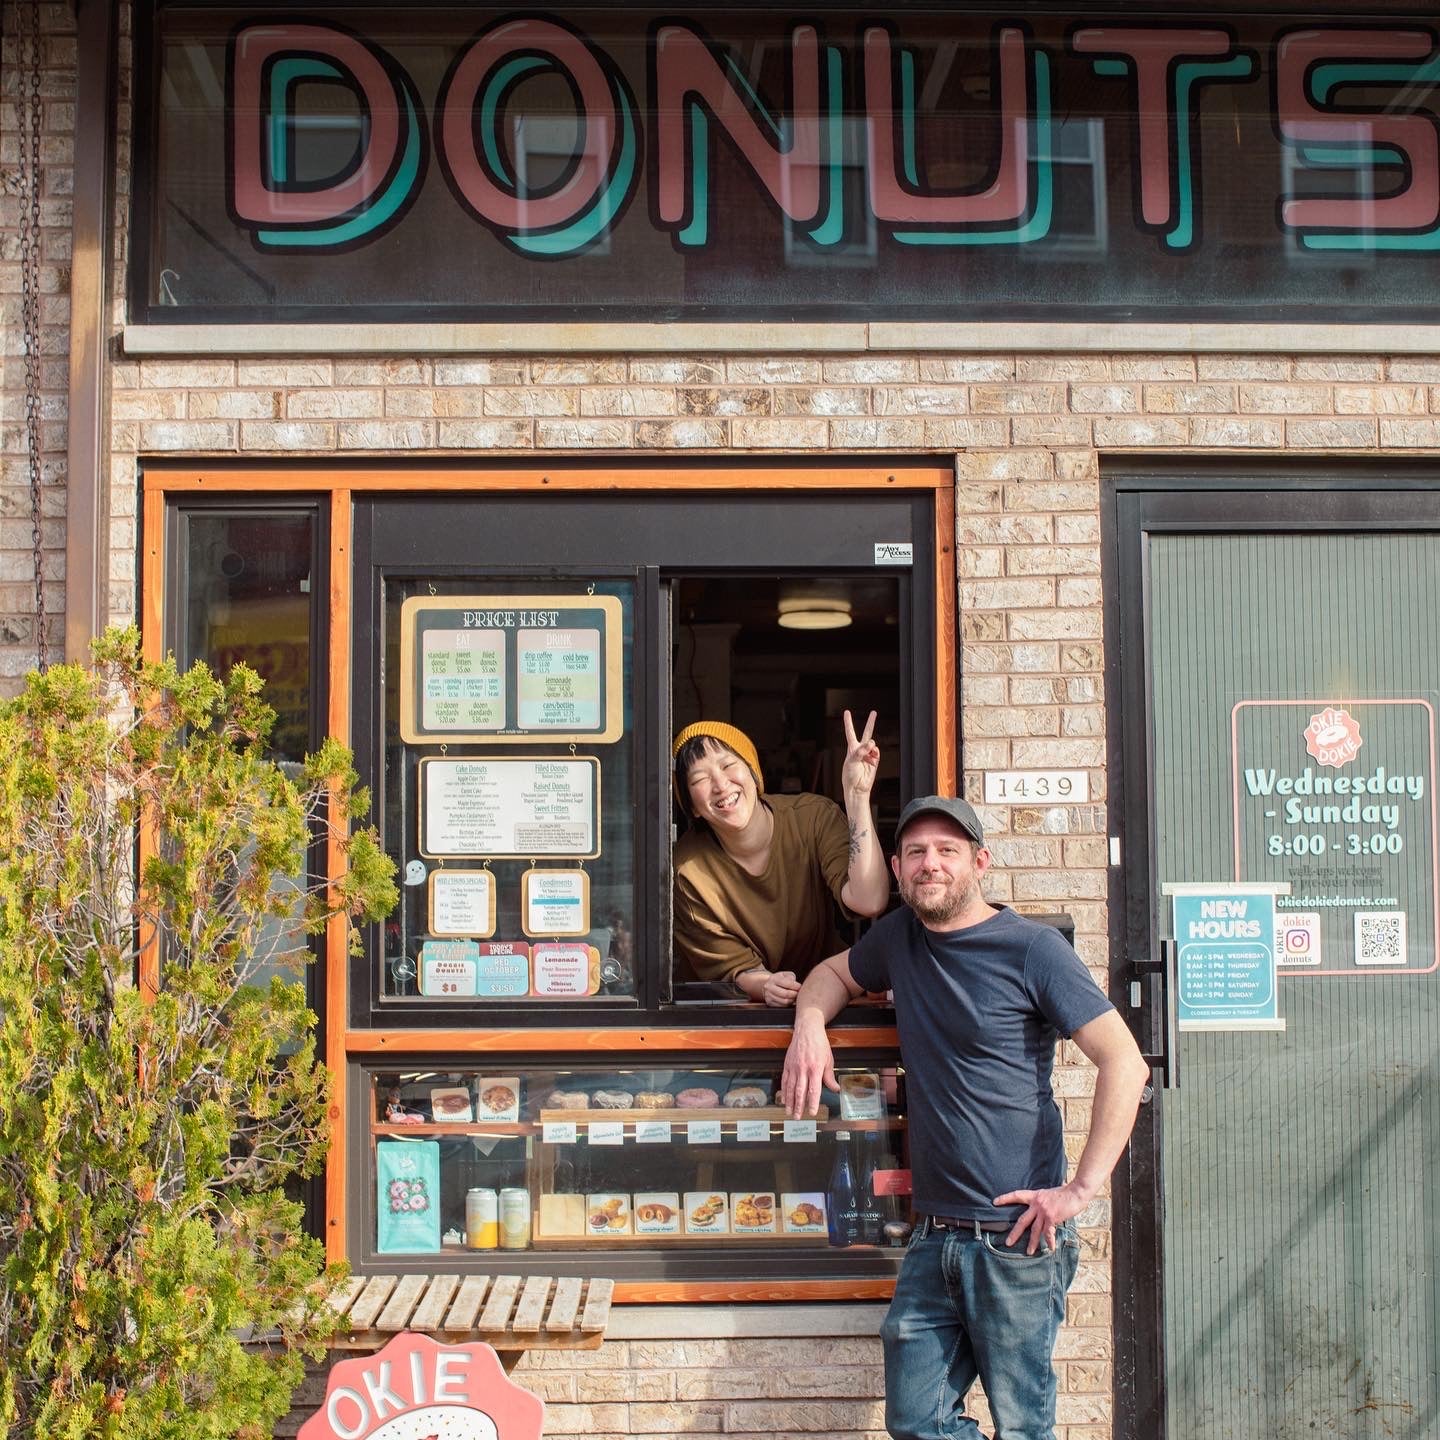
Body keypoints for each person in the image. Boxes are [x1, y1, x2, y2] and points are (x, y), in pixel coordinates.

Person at [781, 795, 1150, 1440]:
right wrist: (809, 1025)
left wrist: (1080, 1190)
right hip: (934, 1233)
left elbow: (1125, 1060)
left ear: (979, 863)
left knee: (1023, 1428)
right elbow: (832, 974)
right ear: (897, 869)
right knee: (915, 1420)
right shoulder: (898, 936)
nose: (931, 864)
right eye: (916, 852)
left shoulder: (1032, 949)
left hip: (1016, 1239)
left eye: (947, 851)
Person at [671, 712, 890, 1005]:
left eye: (728, 765)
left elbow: (869, 900)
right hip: (737, 1015)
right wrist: (765, 984)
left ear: (753, 771)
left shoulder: (812, 817)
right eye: (700, 779)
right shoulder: (686, 870)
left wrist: (857, 796)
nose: (720, 785)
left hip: (832, 995)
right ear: (692, 807)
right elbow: (733, 968)